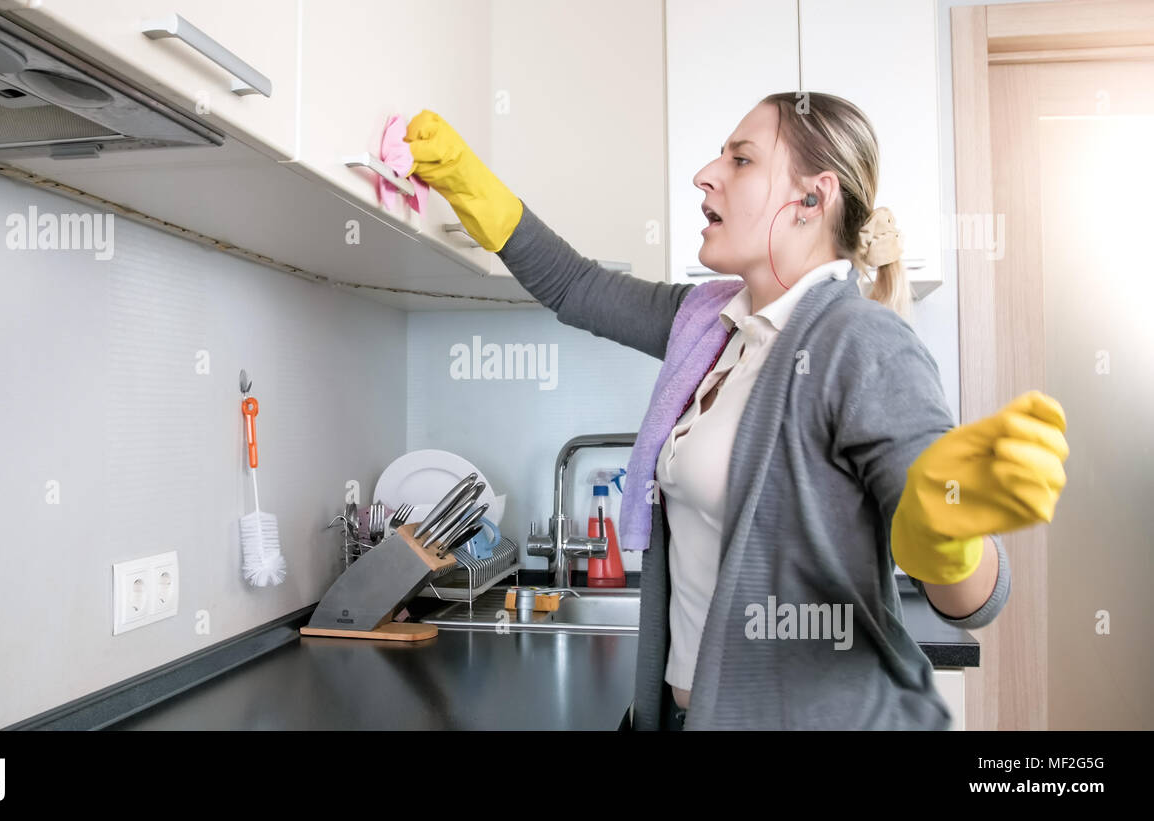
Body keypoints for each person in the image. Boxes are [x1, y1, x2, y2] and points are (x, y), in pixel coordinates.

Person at [402, 92, 1069, 730]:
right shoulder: (709, 321)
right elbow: (579, 287)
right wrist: (471, 185)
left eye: (740, 159)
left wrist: (943, 532)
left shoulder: (858, 342)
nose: (705, 175)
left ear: (812, 197)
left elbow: (978, 602)